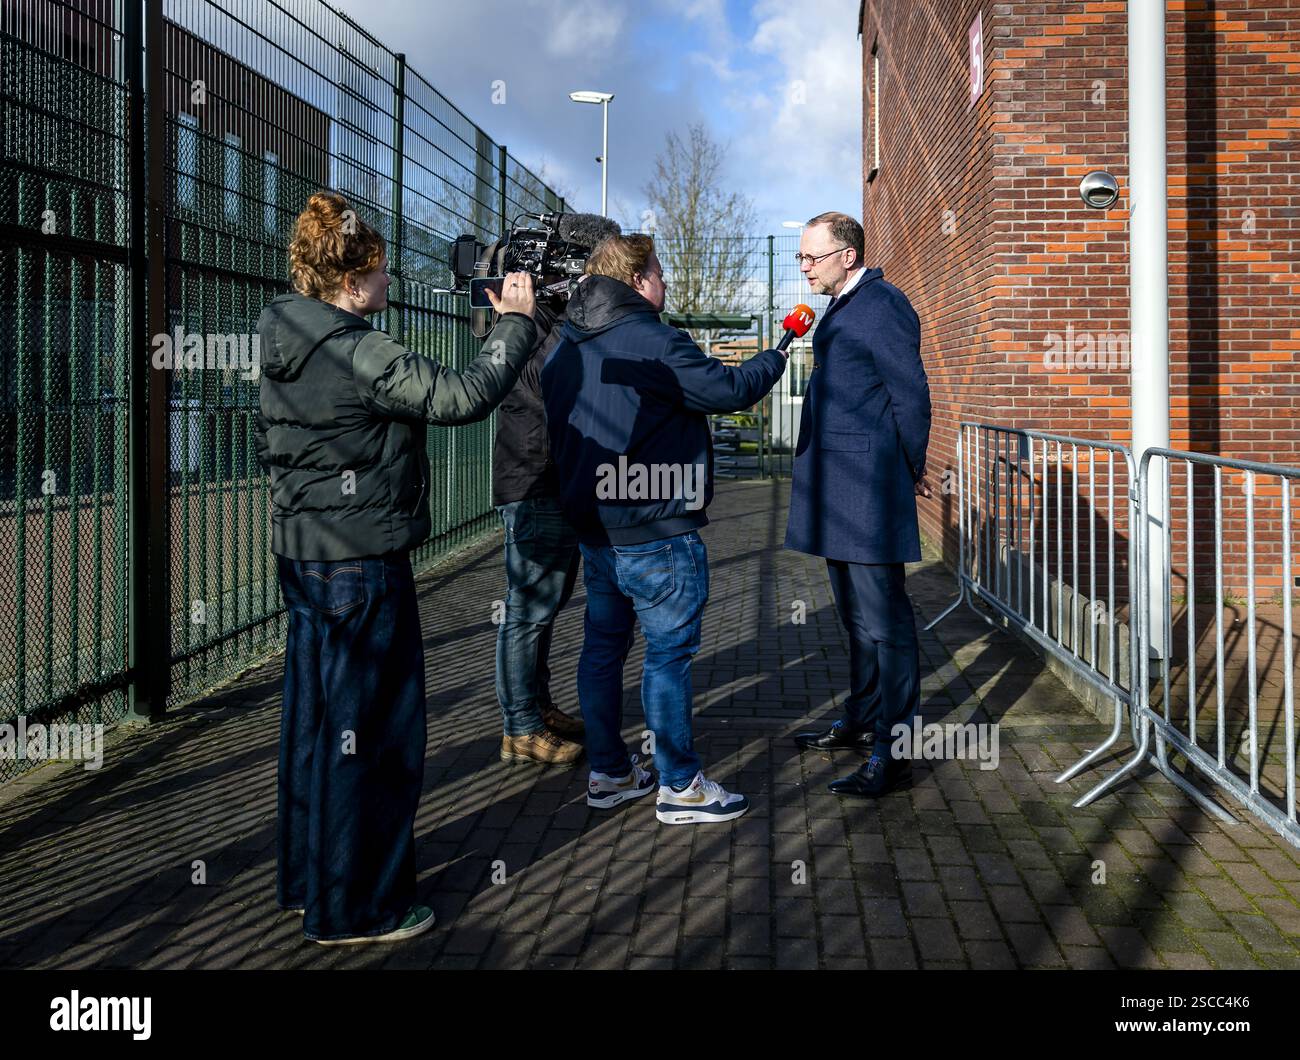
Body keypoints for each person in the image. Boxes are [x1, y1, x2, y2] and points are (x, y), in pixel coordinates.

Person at [253, 191, 537, 944]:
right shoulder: (357, 347)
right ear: (354, 279)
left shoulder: (281, 333)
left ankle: (310, 881)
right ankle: (360, 908)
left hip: (304, 555)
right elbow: (462, 396)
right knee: (374, 737)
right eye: (381, 272)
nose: (389, 285)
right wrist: (514, 323)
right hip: (361, 564)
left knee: (317, 727)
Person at [542, 233, 788, 824]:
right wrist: (777, 353)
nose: (666, 283)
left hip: (596, 525)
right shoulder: (653, 339)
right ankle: (680, 785)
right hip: (655, 525)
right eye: (658, 271)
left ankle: (611, 772)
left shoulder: (564, 344)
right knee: (669, 654)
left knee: (602, 648)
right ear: (635, 280)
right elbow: (727, 390)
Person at [786, 211, 932, 798]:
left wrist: (909, 466)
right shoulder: (842, 306)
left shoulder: (884, 304)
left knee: (887, 624)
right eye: (800, 257)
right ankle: (862, 719)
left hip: (868, 491)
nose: (804, 267)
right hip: (838, 489)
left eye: (811, 257)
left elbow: (911, 395)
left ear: (848, 255)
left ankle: (893, 755)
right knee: (854, 617)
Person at [491, 215, 621, 766]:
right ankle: (519, 725)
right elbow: (562, 397)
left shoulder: (550, 319)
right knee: (529, 609)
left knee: (543, 606)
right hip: (538, 482)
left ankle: (536, 708)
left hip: (549, 480)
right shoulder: (540, 324)